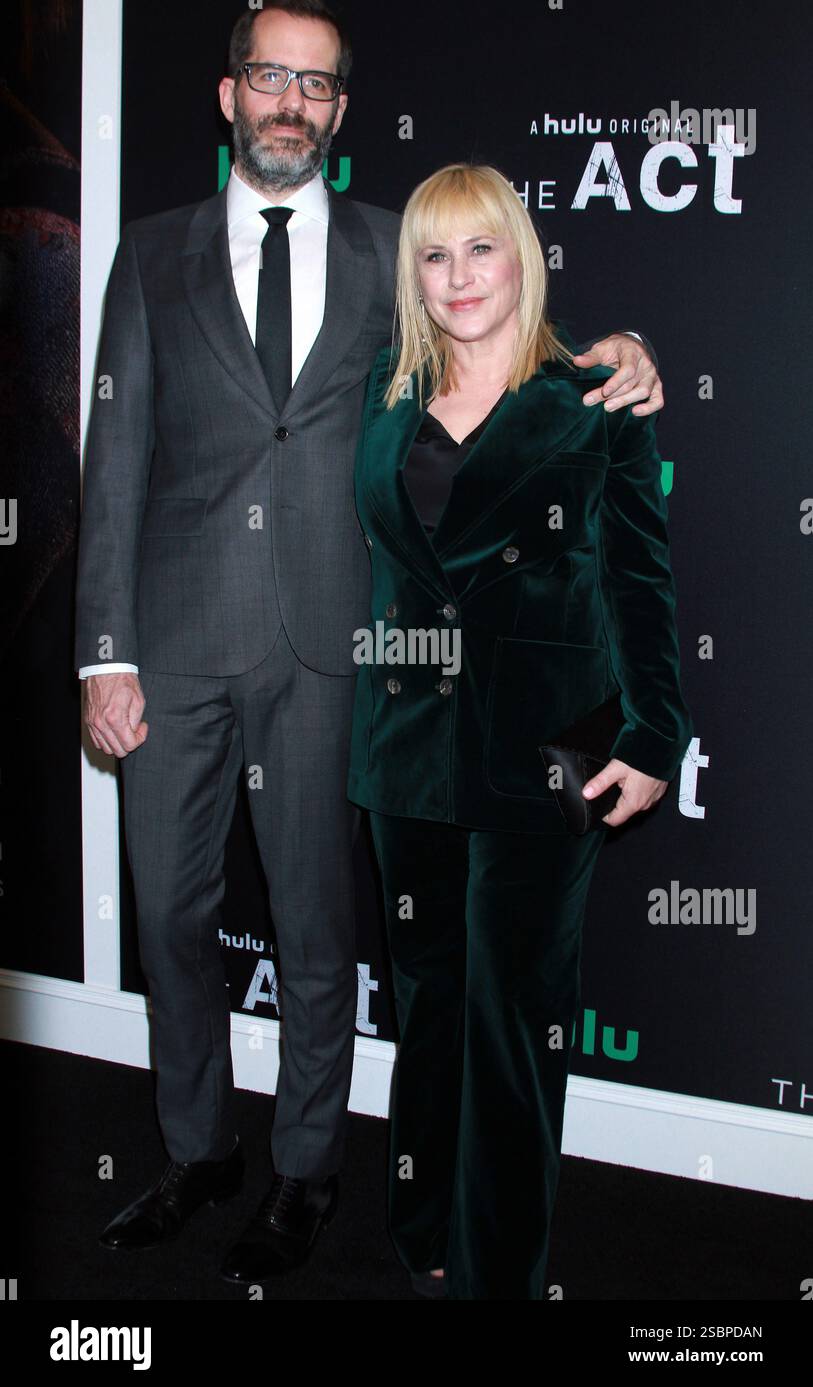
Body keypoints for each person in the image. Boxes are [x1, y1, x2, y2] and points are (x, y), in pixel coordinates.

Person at [74, 1, 664, 1286]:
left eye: (319, 85)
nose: (294, 101)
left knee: (318, 925)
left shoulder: (397, 248)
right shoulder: (149, 254)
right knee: (171, 918)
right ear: (230, 95)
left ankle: (302, 1169)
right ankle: (191, 1148)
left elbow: (510, 329)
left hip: (338, 648)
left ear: (340, 110)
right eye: (271, 77)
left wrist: (627, 353)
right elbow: (113, 459)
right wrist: (101, 649)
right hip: (169, 644)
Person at [347, 163, 693, 1301]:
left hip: (550, 757)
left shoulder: (591, 393)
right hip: (405, 760)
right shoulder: (385, 403)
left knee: (514, 1023)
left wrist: (652, 738)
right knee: (429, 1006)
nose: (458, 277)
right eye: (435, 256)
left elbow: (642, 581)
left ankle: (501, 1270)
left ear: (523, 256)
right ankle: (425, 1227)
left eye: (481, 248)